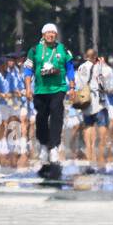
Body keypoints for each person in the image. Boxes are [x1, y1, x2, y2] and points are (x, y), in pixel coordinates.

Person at [25, 23, 75, 179]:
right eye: (48, 33)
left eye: (53, 33)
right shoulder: (34, 50)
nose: (51, 35)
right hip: (40, 90)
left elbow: (70, 67)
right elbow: (28, 69)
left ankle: (54, 146)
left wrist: (72, 85)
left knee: (57, 114)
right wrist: (27, 87)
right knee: (41, 117)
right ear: (43, 35)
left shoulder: (63, 49)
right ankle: (44, 145)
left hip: (58, 88)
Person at [75, 48, 107, 174]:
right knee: (101, 127)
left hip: (85, 100)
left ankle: (89, 155)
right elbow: (103, 82)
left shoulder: (80, 67)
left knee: (88, 126)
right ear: (95, 57)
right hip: (96, 101)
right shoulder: (98, 67)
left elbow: (78, 83)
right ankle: (99, 157)